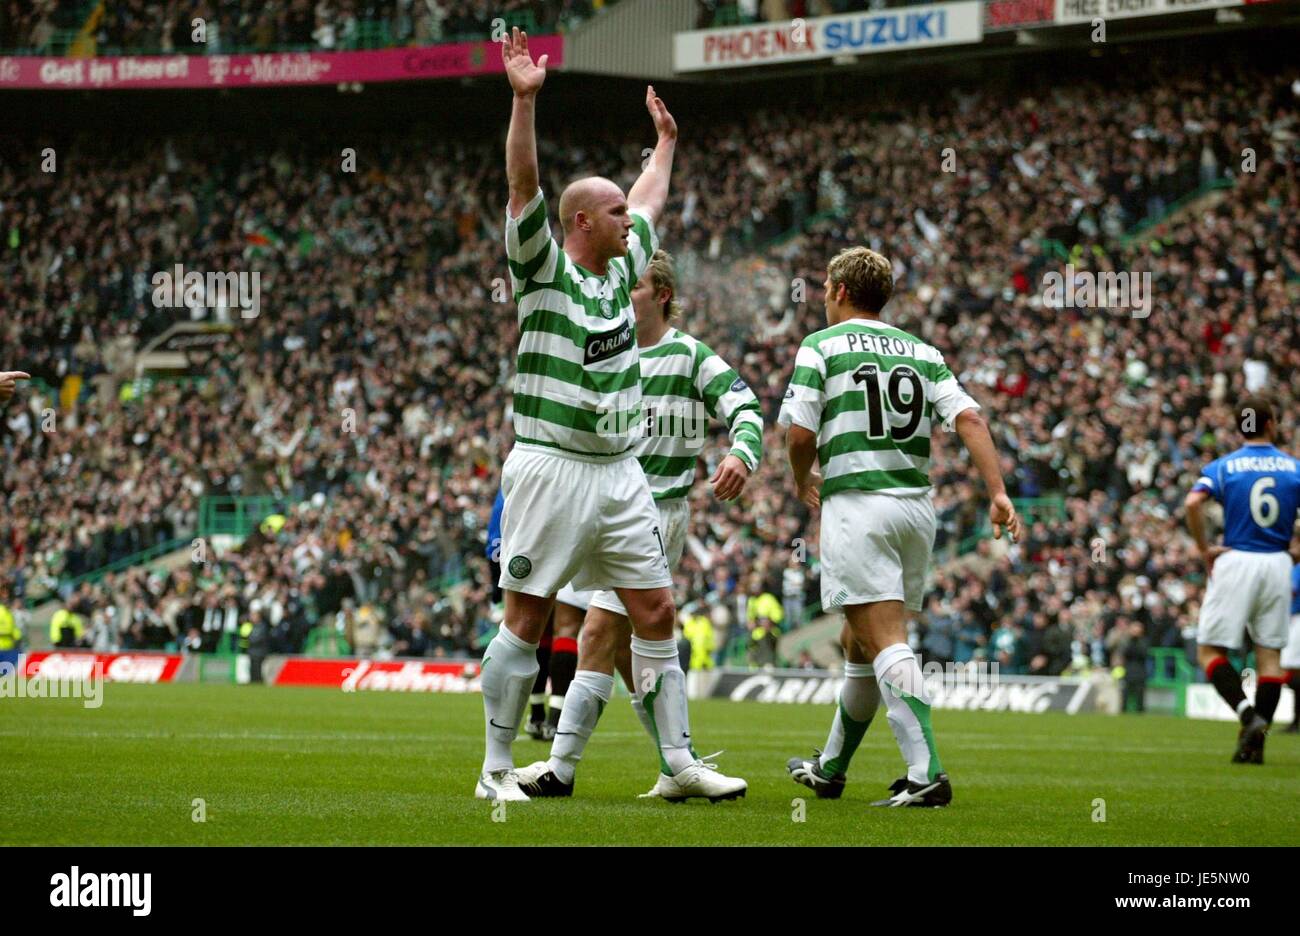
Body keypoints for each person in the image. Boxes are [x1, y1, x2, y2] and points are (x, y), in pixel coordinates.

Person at [477, 30, 738, 803]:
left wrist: (665, 145)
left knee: (655, 610)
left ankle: (679, 765)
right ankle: (496, 770)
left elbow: (651, 195)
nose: (631, 218)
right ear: (581, 222)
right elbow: (523, 188)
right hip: (552, 464)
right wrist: (524, 102)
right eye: (615, 210)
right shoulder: (543, 271)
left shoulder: (626, 264)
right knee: (525, 616)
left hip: (621, 471)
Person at [516, 249, 761, 799]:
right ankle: (676, 763)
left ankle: (566, 767)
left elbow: (745, 406)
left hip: (657, 512)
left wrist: (741, 454)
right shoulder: (609, 354)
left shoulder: (691, 357)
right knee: (621, 651)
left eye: (636, 288)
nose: (624, 295)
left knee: (598, 635)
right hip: (602, 508)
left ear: (663, 295)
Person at [781, 246, 1021, 807]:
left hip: (859, 503)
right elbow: (970, 417)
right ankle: (831, 768)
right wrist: (997, 491)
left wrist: (800, 478)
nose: (820, 297)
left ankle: (926, 773)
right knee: (857, 641)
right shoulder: (920, 350)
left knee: (883, 639)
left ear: (839, 291)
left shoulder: (821, 346)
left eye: (823, 288)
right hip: (915, 508)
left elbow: (797, 434)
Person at [1185, 394, 1299, 763]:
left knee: (1209, 650)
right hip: (1278, 563)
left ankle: (1247, 716)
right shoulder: (1293, 468)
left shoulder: (1224, 466)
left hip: (1235, 558)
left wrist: (1204, 547)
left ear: (1240, 426)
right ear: (1271, 424)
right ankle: (1257, 742)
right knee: (1270, 658)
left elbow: (1192, 502)